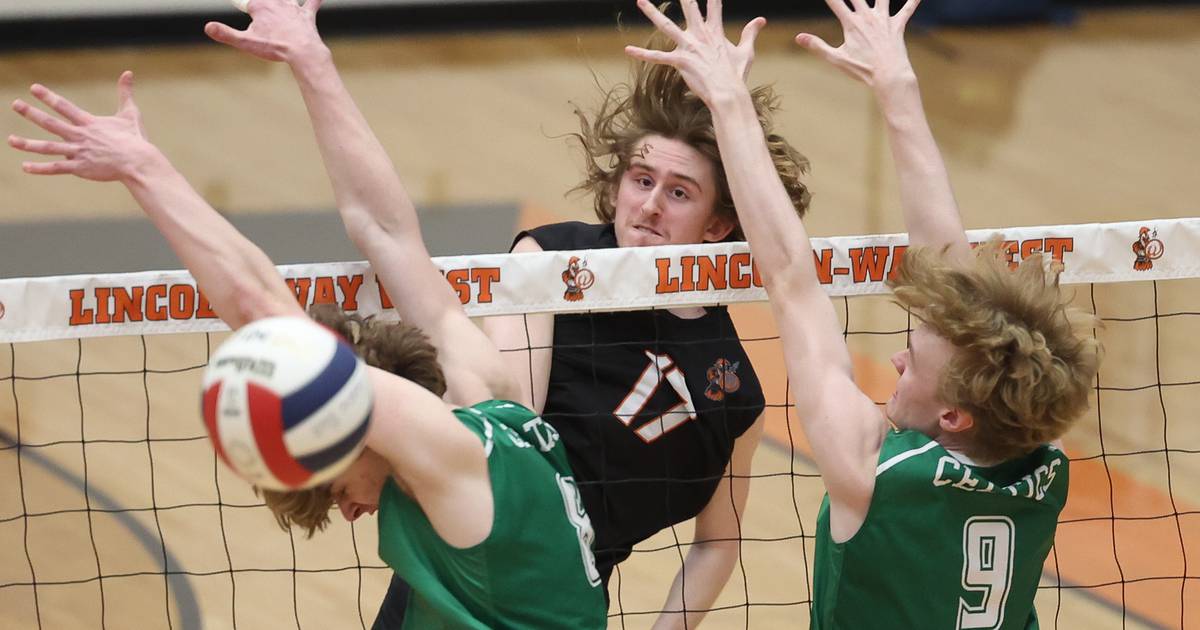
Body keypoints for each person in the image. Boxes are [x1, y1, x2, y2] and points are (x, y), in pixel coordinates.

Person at [201, 1, 812, 627]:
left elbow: (717, 543)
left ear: (718, 225)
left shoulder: (732, 387)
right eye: (640, 179)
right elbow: (510, 416)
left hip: (564, 604)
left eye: (678, 192)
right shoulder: (552, 260)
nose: (649, 205)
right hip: (473, 562)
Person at [8, 71, 607, 629]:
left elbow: (256, 305)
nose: (347, 513)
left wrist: (144, 170)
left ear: (344, 423)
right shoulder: (493, 401)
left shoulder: (452, 458)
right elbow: (388, 231)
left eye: (334, 486)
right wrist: (309, 59)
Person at [626, 0, 1102, 626]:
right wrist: (896, 92)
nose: (899, 357)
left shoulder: (872, 478)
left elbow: (792, 279)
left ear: (953, 415)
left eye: (914, 361)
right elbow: (956, 287)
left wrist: (729, 102)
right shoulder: (1045, 459)